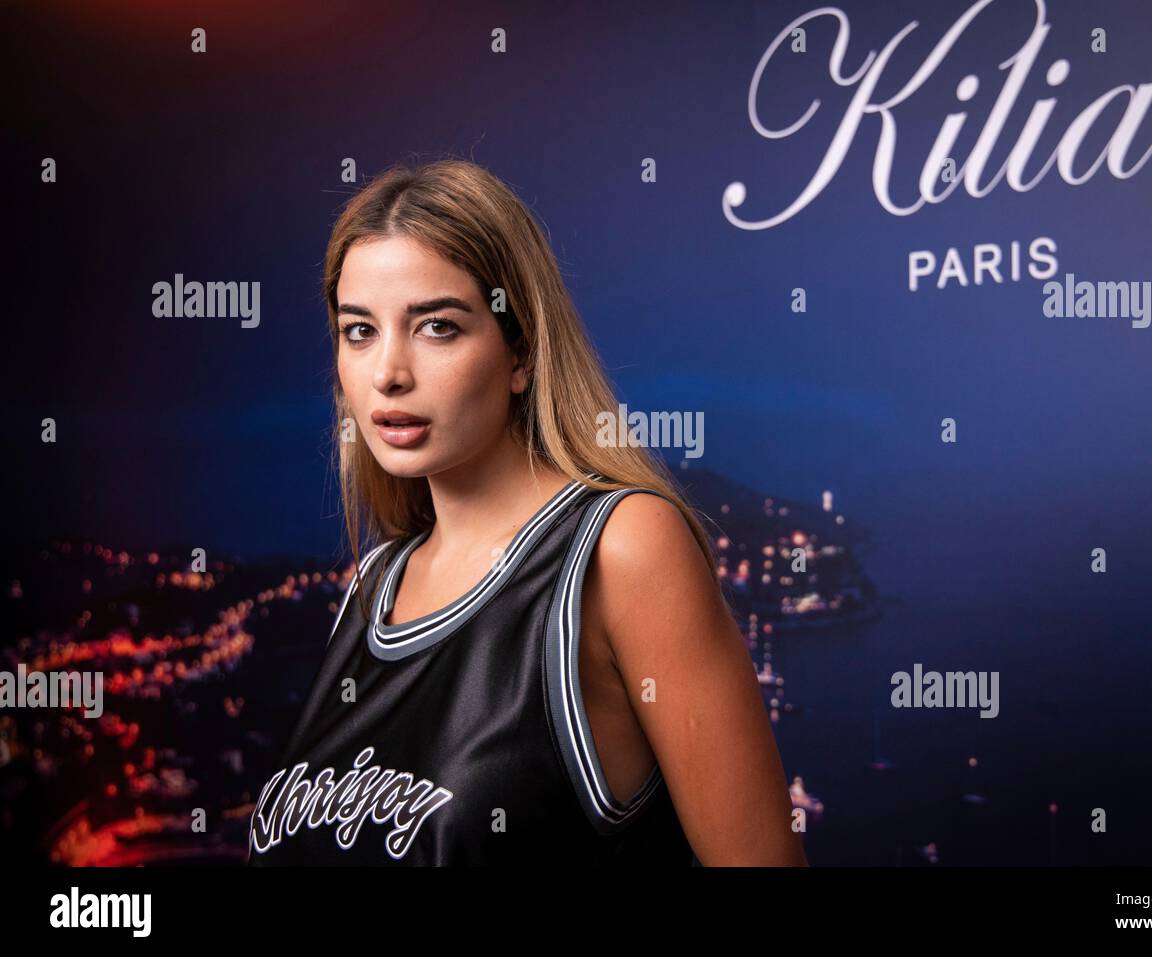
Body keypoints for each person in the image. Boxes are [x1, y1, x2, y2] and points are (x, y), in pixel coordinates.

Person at [247, 158, 807, 866]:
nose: (388, 371)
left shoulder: (619, 548)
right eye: (359, 331)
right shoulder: (372, 586)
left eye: (437, 327)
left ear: (521, 350)